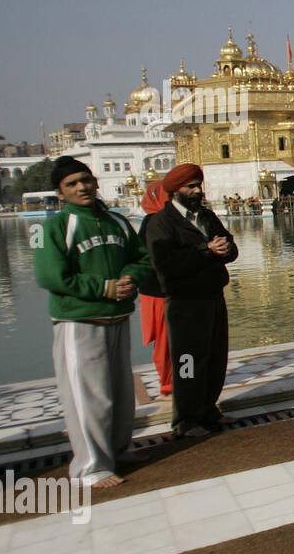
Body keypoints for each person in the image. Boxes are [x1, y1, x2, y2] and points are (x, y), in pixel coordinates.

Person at [33, 156, 155, 487]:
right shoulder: (55, 227)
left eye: (85, 180)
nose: (81, 187)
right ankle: (90, 466)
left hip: (116, 317)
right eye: (71, 184)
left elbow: (141, 258)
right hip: (80, 322)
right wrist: (104, 287)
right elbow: (49, 276)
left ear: (95, 182)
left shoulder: (115, 221)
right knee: (88, 395)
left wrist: (130, 277)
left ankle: (118, 450)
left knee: (119, 390)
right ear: (60, 193)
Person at [144, 163, 238, 439]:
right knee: (187, 360)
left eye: (198, 185)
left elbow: (229, 247)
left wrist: (225, 249)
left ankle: (208, 410)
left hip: (212, 297)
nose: (197, 190)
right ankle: (185, 418)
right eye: (190, 186)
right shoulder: (161, 222)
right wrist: (205, 250)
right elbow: (166, 263)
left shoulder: (206, 216)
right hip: (185, 302)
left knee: (214, 355)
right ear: (175, 190)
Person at [136, 180, 173, 401]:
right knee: (166, 340)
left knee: (172, 341)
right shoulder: (155, 222)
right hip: (159, 293)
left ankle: (179, 380)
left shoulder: (161, 220)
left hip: (159, 291)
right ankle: (168, 385)